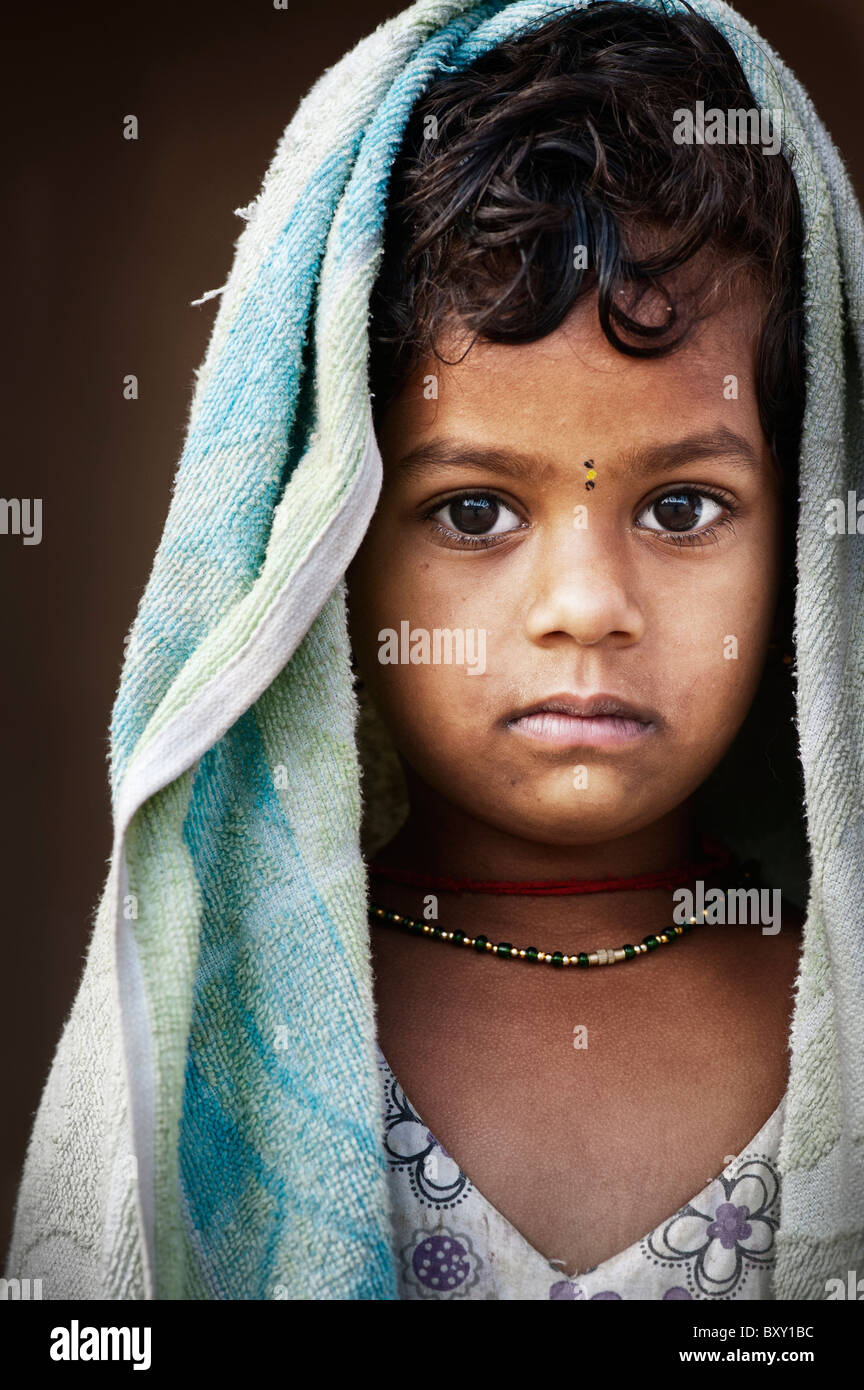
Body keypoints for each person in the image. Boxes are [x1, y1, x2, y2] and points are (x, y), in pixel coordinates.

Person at [5, 0, 863, 1302]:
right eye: (475, 511)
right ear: (327, 544)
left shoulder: (843, 1025)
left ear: (803, 534)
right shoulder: (224, 1047)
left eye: (681, 506)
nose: (587, 605)